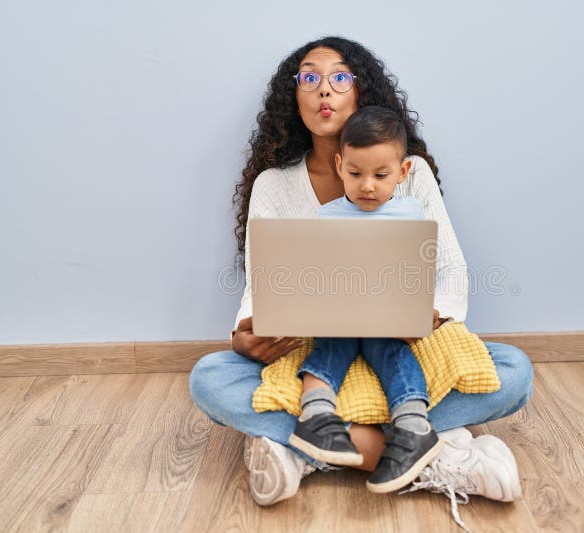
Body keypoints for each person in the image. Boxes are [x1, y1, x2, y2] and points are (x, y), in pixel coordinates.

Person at [189, 36, 533, 518]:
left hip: (402, 348)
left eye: (339, 78)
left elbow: (450, 273)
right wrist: (246, 334)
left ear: (360, 92)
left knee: (514, 371)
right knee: (209, 378)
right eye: (310, 78)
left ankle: (310, 453)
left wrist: (428, 317)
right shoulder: (273, 184)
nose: (324, 90)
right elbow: (260, 286)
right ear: (295, 97)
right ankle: (421, 454)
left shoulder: (410, 175)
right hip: (315, 357)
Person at [289, 105, 443, 494]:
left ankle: (413, 427)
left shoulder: (412, 215)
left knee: (390, 347)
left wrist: (424, 310)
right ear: (340, 165)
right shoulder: (327, 217)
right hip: (340, 316)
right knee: (331, 343)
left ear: (403, 173)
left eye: (381, 175)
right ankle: (317, 419)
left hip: (390, 321)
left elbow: (425, 273)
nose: (367, 186)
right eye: (355, 174)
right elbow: (314, 275)